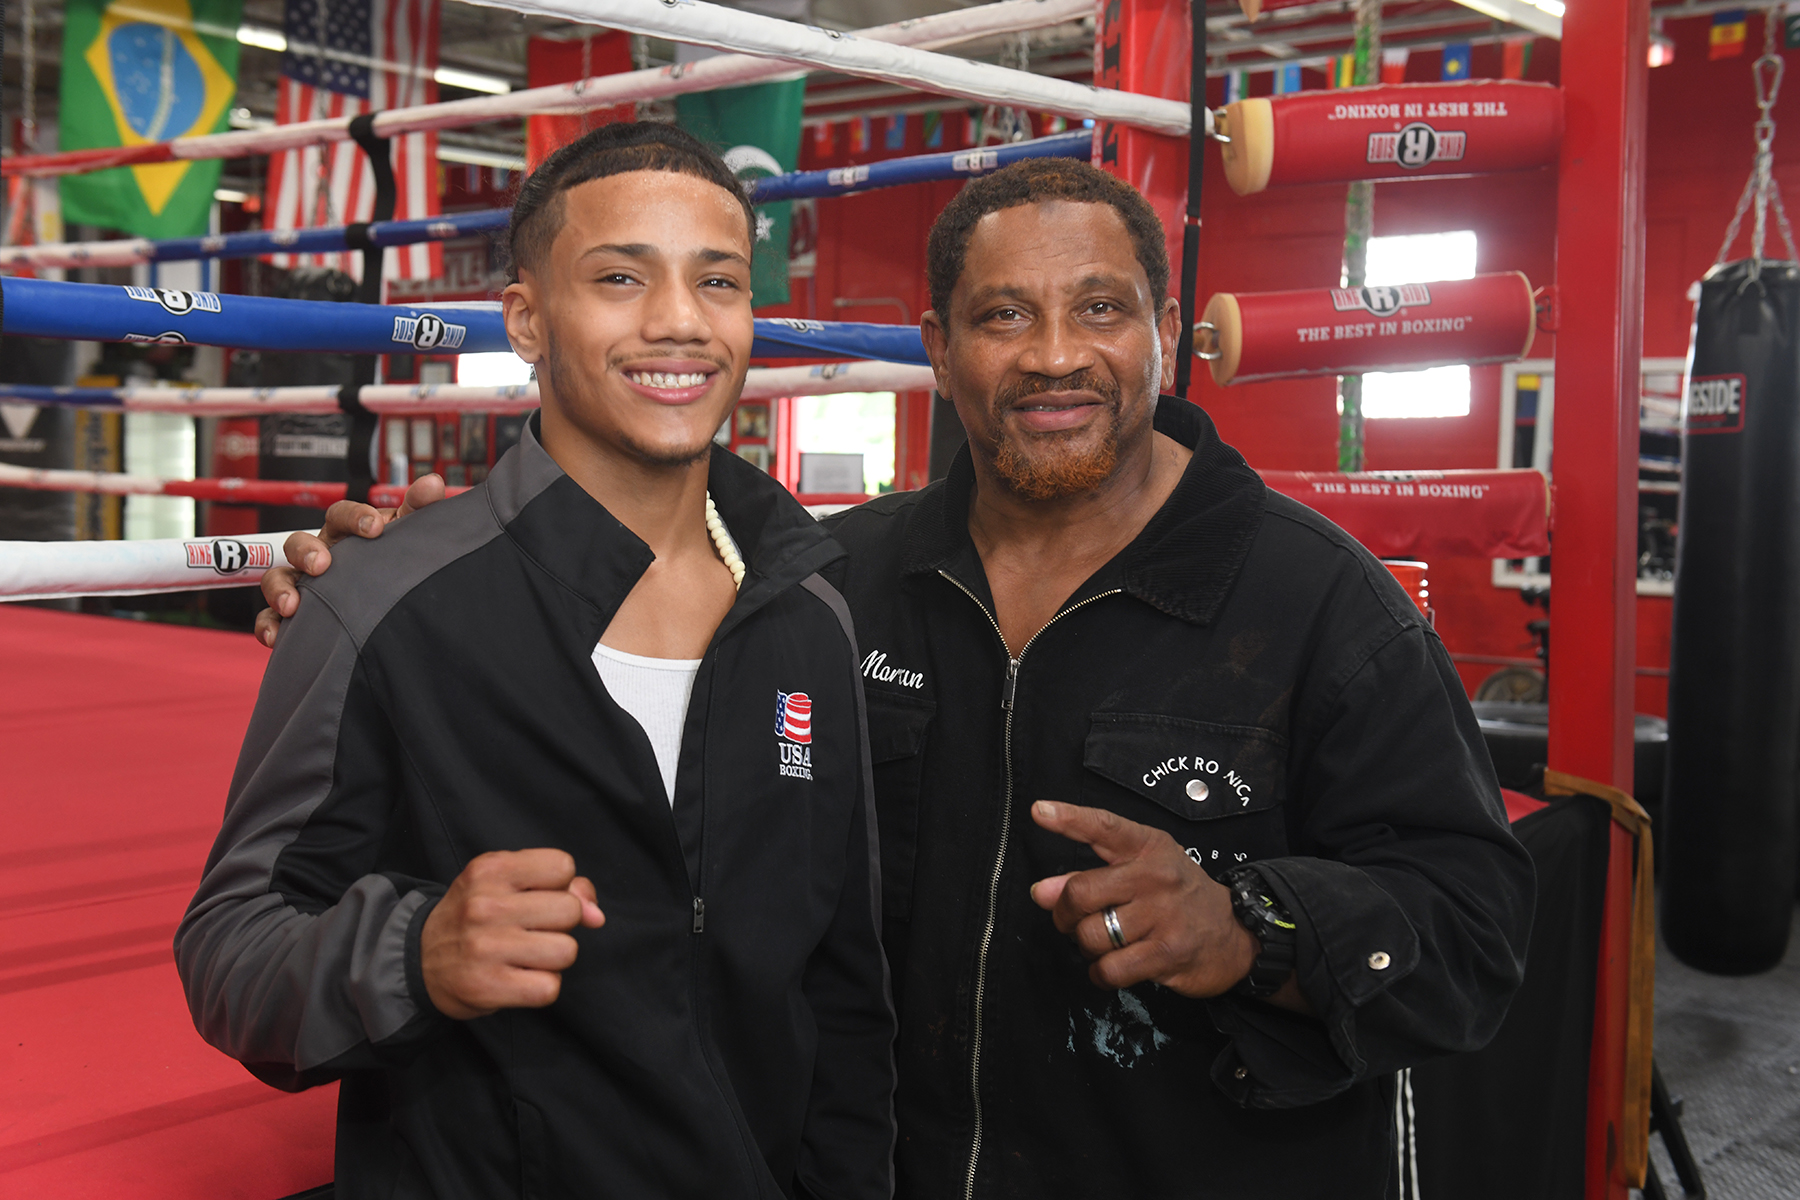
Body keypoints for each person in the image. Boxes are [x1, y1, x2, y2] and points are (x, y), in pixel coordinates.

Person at [259, 155, 1534, 1199]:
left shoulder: (1319, 603)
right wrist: (440, 560)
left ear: (1162, 331)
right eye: (1001, 315)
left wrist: (1256, 926)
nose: (1053, 356)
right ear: (937, 343)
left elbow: (1477, 933)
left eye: (1100, 309)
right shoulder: (833, 582)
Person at [177, 123, 896, 1200]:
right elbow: (229, 951)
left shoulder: (809, 610)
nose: (679, 322)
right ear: (527, 319)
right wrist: (411, 955)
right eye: (619, 277)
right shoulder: (384, 600)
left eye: (719, 281)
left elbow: (844, 991)